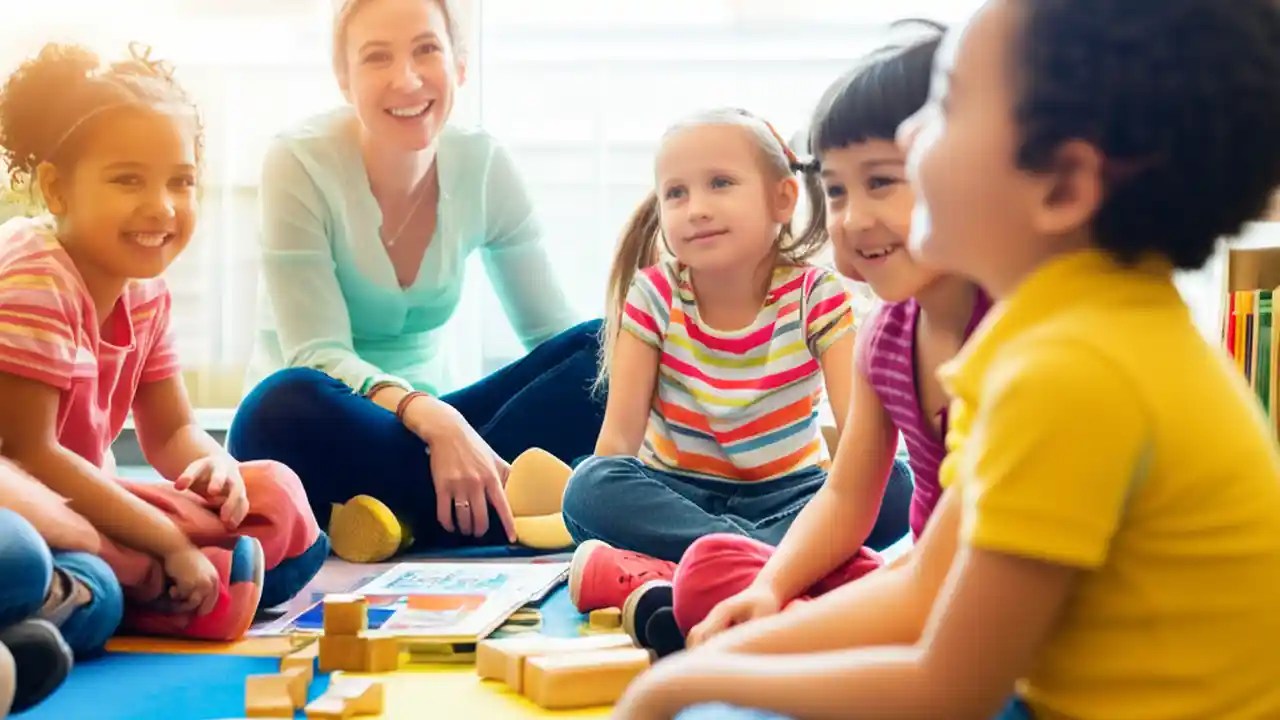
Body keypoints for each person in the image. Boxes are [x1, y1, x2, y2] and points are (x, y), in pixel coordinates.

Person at [614, 0, 1280, 718]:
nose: (909, 131)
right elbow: (926, 585)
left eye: (949, 101)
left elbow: (951, 686)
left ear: (1061, 186)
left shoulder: (1076, 372)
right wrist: (726, 656)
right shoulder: (1064, 335)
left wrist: (682, 684)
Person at [628, 22, 992, 657]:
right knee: (717, 568)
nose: (852, 219)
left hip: (980, 601)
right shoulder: (887, 338)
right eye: (838, 190)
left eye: (881, 182)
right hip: (931, 582)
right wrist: (769, 588)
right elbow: (849, 494)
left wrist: (748, 650)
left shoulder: (1013, 337)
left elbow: (950, 589)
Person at [227, 0, 605, 563]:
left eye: (426, 49)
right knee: (276, 406)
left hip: (454, 436)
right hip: (339, 427)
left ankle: (407, 520)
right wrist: (432, 418)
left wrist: (459, 428)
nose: (405, 79)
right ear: (343, 77)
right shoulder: (297, 162)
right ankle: (511, 509)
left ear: (459, 65)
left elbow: (552, 333)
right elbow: (317, 351)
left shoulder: (483, 165)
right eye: (377, 57)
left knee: (610, 345)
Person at [0, 42, 327, 641]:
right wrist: (171, 540)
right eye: (128, 180)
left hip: (85, 502)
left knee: (274, 492)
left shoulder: (144, 289)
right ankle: (154, 586)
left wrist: (216, 470)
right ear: (56, 190)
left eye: (182, 182)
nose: (161, 207)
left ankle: (177, 582)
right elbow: (33, 454)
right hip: (29, 504)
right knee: (72, 580)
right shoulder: (33, 274)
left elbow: (171, 431)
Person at [560, 106, 916, 616]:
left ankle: (691, 573)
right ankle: (786, 571)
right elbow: (617, 444)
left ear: (782, 198)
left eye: (721, 183)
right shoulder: (654, 294)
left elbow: (861, 441)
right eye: (676, 193)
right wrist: (605, 491)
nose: (696, 208)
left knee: (896, 484)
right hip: (678, 492)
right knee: (589, 485)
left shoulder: (815, 294)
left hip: (793, 497)